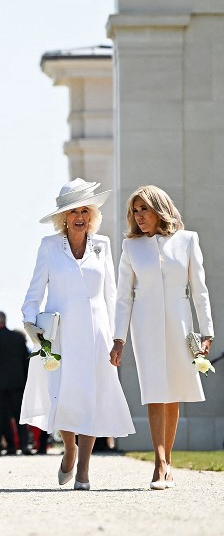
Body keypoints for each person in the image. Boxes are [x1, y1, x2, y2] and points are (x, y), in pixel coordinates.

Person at [20, 179, 134, 490]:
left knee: (91, 399)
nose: (79, 216)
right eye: (73, 212)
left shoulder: (104, 245)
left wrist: (117, 338)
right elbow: (34, 292)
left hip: (97, 335)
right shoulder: (48, 247)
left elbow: (111, 294)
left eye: (85, 210)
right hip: (60, 335)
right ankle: (69, 449)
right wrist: (30, 323)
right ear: (63, 218)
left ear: (92, 215)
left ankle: (83, 468)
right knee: (65, 397)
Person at [111, 185, 214, 490]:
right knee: (155, 390)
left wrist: (206, 331)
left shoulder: (186, 241)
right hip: (144, 327)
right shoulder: (131, 248)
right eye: (134, 210)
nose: (138, 216)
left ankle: (167, 460)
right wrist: (119, 338)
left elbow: (200, 291)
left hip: (180, 326)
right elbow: (123, 297)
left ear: (159, 208)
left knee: (174, 391)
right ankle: (160, 464)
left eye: (144, 209)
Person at [0, 312, 30, 455]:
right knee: (20, 416)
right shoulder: (18, 338)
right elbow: (25, 362)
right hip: (17, 384)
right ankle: (24, 445)